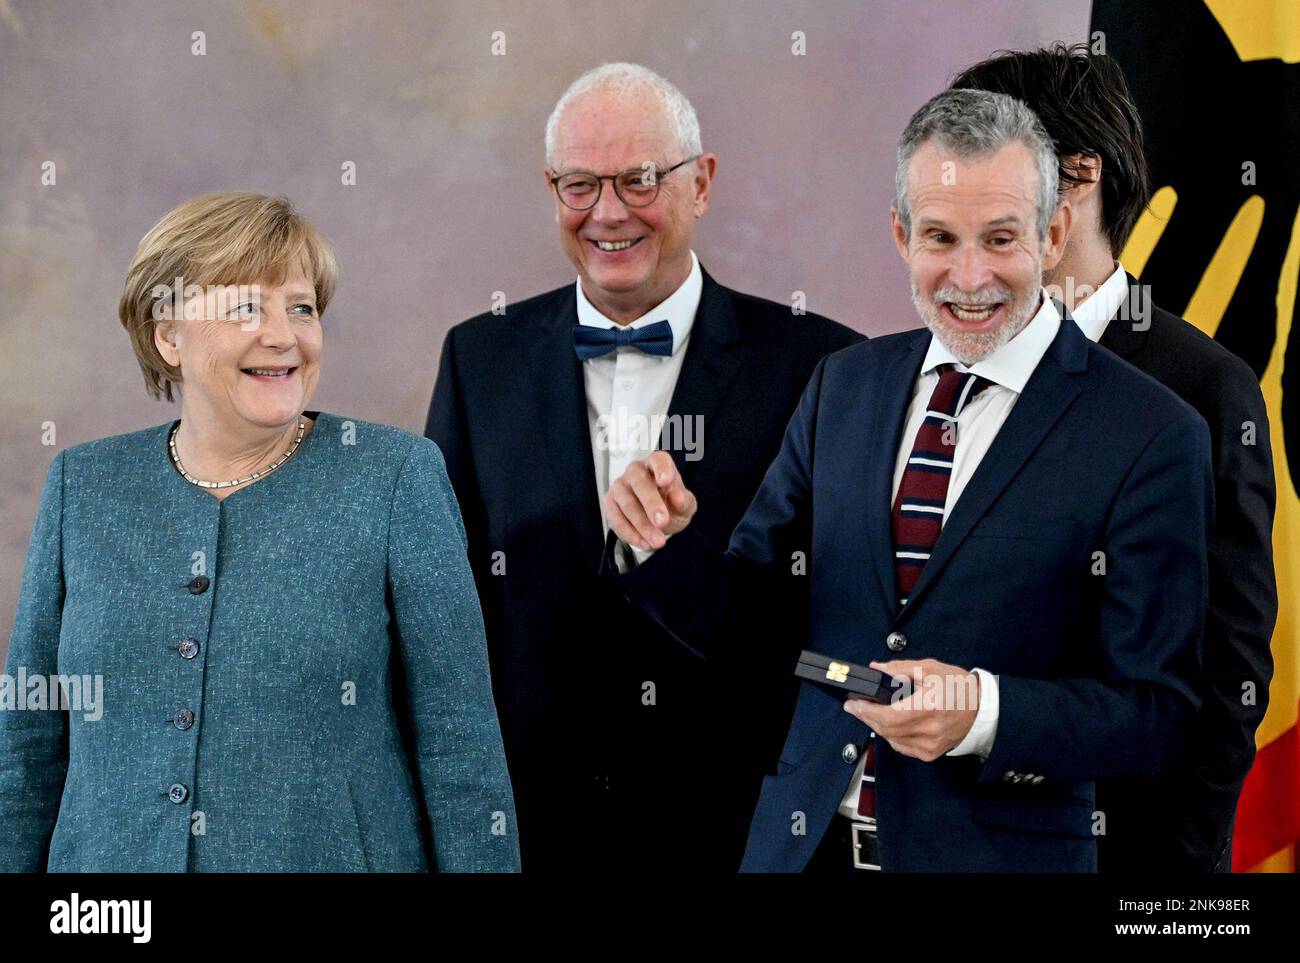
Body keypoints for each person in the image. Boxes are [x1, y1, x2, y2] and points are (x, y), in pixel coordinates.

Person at [605, 88, 1213, 872]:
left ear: (1053, 231)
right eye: (939, 237)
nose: (969, 276)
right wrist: (659, 543)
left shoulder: (1152, 434)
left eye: (999, 238)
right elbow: (751, 627)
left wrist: (983, 712)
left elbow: (1158, 713)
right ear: (900, 234)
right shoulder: (843, 384)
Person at [425, 62, 861, 871]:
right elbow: (451, 614)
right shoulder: (477, 357)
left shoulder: (823, 365)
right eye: (580, 185)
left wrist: (685, 562)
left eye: (639, 179)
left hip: (742, 829)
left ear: (702, 182)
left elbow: (844, 622)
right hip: (533, 831)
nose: (609, 212)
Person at [0, 191, 518, 872]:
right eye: (246, 306)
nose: (284, 334)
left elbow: (461, 746)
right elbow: (28, 742)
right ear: (168, 335)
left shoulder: (395, 476)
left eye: (300, 307)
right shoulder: (83, 486)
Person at [951, 43, 1277, 873]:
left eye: (986, 153)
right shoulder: (926, 370)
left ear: (1079, 177)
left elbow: (1226, 679)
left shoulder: (1205, 388)